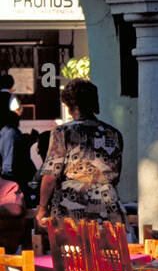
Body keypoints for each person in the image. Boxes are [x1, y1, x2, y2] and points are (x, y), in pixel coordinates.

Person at [35, 79, 126, 226]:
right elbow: (116, 175)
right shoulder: (114, 134)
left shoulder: (62, 132)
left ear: (69, 105)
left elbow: (50, 176)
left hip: (72, 209)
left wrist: (42, 208)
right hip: (108, 208)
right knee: (105, 249)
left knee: (71, 249)